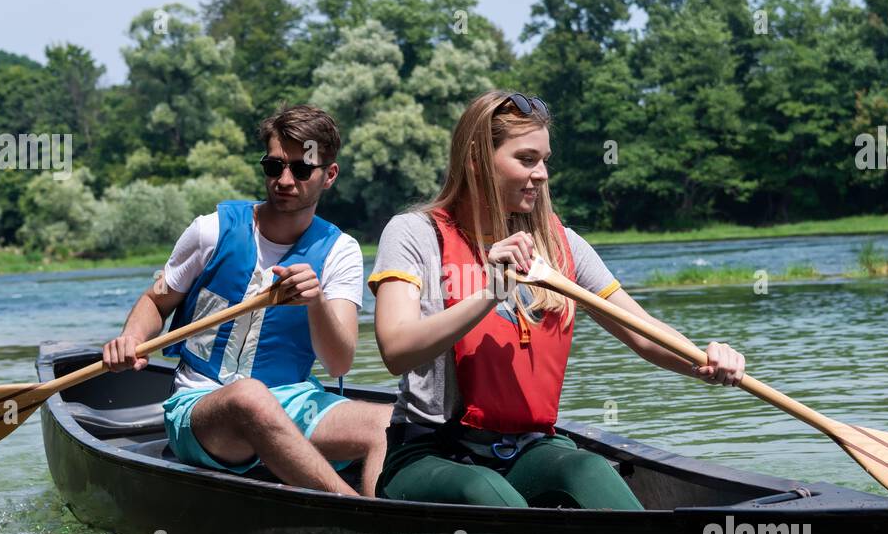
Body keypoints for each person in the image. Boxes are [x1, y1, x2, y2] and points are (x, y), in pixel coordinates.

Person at [367, 90, 747, 507]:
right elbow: (397, 350)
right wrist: (490, 292)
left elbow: (642, 334)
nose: (542, 173)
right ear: (476, 159)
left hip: (527, 448)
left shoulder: (561, 244)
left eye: (545, 160)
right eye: (526, 159)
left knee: (588, 469)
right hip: (429, 451)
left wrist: (704, 361)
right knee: (485, 492)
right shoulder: (413, 234)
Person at [102, 104, 391, 497]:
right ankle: (357, 513)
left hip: (292, 401)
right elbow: (156, 302)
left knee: (388, 424)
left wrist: (316, 302)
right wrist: (131, 339)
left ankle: (389, 519)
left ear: (329, 176)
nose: (285, 180)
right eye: (274, 167)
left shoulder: (341, 251)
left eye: (301, 169)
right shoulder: (211, 230)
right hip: (201, 407)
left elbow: (338, 362)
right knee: (249, 396)